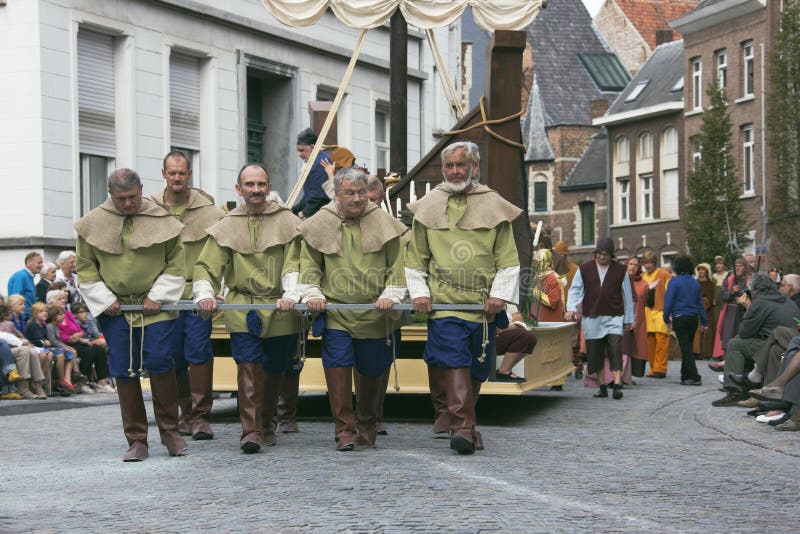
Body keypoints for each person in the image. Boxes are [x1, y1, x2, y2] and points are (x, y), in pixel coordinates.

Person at [406, 141, 522, 454]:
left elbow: (508, 260)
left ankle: (463, 422)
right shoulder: (430, 205)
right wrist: (419, 292)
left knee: (476, 368)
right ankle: (462, 428)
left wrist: (499, 294)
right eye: (449, 166)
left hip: (482, 306)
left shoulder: (493, 204)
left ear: (475, 167)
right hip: (444, 303)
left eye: (461, 165)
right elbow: (415, 258)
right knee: (454, 360)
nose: (455, 171)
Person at [75, 168, 187, 461]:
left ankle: (171, 433)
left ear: (141, 189)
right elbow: (86, 269)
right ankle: (137, 439)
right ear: (111, 195)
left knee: (162, 361)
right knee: (123, 368)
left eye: (133, 197)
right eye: (121, 199)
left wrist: (157, 295)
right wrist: (105, 299)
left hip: (156, 306)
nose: (128, 204)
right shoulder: (92, 224)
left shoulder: (162, 218)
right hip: (117, 308)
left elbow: (176, 263)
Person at [194, 163, 302, 454]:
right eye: (250, 185)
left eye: (261, 184)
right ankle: (250, 430)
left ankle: (267, 423)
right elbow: (207, 264)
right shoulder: (227, 224)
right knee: (248, 364)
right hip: (242, 304)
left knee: (276, 367)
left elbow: (295, 261)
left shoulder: (287, 220)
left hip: (280, 304)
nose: (256, 190)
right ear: (239, 189)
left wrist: (292, 293)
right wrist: (206, 292)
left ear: (268, 187)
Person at [300, 167, 407, 451]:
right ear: (337, 194)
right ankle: (344, 430)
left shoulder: (383, 221)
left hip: (374, 313)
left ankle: (368, 424)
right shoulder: (320, 222)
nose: (358, 198)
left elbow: (397, 264)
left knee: (371, 372)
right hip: (336, 313)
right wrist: (312, 292)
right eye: (350, 193)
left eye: (361, 192)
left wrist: (391, 294)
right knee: (337, 366)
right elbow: (309, 265)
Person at [152, 150, 225, 441]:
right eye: (172, 173)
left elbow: (224, 248)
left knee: (199, 351)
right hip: (163, 294)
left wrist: (220, 289)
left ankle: (200, 417)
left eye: (182, 173)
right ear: (164, 175)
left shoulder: (208, 209)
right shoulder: (151, 208)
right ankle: (182, 413)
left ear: (189, 174)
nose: (177, 178)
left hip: (198, 291)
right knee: (173, 356)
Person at [712, 273, 800, 406]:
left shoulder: (760, 302)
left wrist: (747, 307)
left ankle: (734, 390)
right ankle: (750, 384)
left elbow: (745, 332)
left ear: (753, 290)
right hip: (788, 343)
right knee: (743, 342)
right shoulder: (785, 299)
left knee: (735, 344)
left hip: (777, 343)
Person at [565, 237, 633, 400]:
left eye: (606, 254)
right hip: (592, 316)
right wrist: (571, 309)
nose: (602, 257)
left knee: (615, 348)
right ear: (595, 254)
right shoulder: (585, 269)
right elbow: (575, 290)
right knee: (595, 353)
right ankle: (602, 385)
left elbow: (627, 296)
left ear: (611, 255)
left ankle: (617, 384)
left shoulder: (620, 271)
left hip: (614, 315)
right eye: (600, 254)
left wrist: (628, 319)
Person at [52, 290, 113, 393]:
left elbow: (80, 329)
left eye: (63, 298)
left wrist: (79, 335)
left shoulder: (67, 313)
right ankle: (84, 382)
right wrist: (72, 337)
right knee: (88, 352)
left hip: (77, 341)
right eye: (59, 299)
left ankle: (101, 381)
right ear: (51, 302)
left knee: (99, 350)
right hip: (65, 343)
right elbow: (57, 334)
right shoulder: (52, 315)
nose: (63, 301)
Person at [662, 256, 708, 386]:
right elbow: (700, 304)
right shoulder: (695, 282)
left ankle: (695, 376)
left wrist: (666, 318)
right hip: (693, 318)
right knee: (687, 346)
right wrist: (704, 322)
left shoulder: (673, 282)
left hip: (679, 317)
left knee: (686, 348)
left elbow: (668, 302)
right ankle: (685, 375)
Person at [711, 258, 751, 366]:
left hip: (744, 312)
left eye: (740, 265)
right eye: (736, 265)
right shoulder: (729, 280)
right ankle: (728, 363)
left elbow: (754, 296)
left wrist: (745, 292)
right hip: (730, 312)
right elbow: (723, 296)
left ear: (745, 267)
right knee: (728, 337)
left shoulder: (750, 280)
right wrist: (732, 292)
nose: (738, 267)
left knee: (742, 337)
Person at [640, 251, 672, 378]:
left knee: (662, 340)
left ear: (655, 263)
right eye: (645, 263)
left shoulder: (664, 274)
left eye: (650, 262)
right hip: (647, 312)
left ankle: (661, 368)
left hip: (661, 311)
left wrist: (670, 312)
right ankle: (653, 368)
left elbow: (670, 294)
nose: (648, 265)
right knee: (650, 341)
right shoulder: (642, 276)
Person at [291, 128, 331, 220]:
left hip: (321, 215)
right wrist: (293, 210)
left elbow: (319, 196)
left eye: (302, 150)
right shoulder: (312, 162)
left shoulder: (321, 161)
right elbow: (308, 194)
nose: (299, 154)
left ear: (313, 147)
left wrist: (304, 213)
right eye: (298, 151)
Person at [625, 257, 649, 378]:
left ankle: (634, 374)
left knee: (638, 346)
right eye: (631, 264)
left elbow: (647, 302)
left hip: (639, 320)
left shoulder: (643, 283)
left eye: (636, 265)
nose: (633, 266)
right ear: (626, 265)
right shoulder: (620, 280)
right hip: (623, 321)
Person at [7, 251, 43, 319]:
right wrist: (22, 320)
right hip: (24, 319)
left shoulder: (28, 276)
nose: (42, 265)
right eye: (39, 262)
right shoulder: (21, 276)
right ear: (29, 263)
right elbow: (16, 300)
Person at [693, 263, 716, 359]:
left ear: (706, 271)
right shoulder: (695, 282)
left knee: (707, 331)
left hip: (707, 311)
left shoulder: (710, 283)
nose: (701, 271)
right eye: (699, 270)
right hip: (695, 311)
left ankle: (707, 353)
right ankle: (698, 353)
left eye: (703, 270)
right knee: (696, 332)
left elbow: (710, 297)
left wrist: (703, 305)